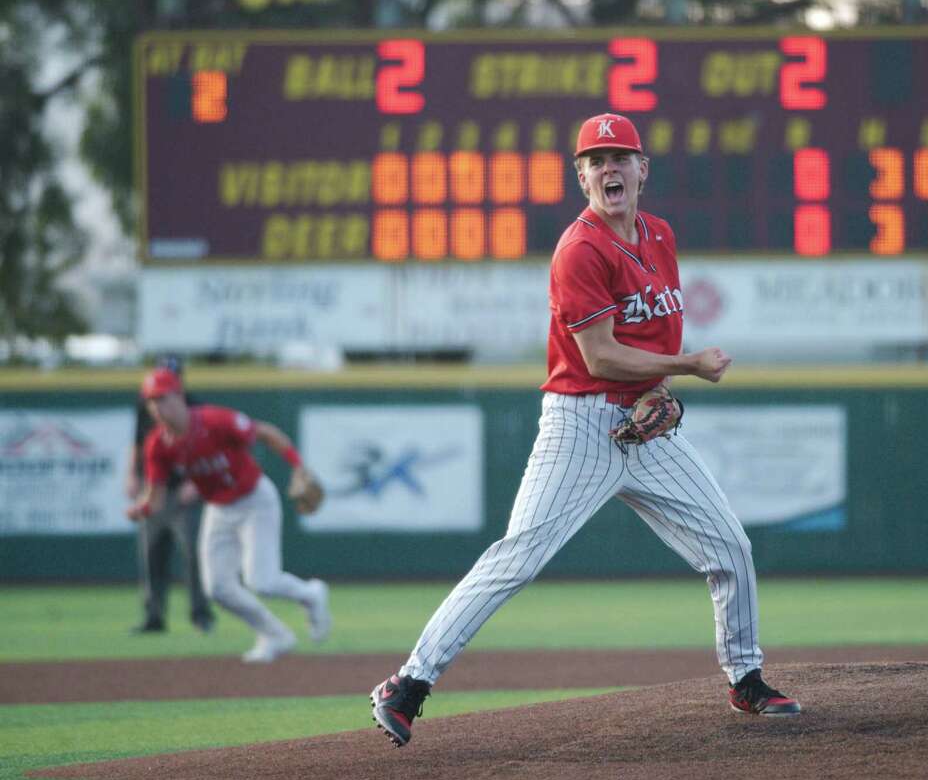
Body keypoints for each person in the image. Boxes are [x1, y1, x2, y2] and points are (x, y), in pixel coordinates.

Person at [370, 112, 800, 748]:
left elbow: (654, 337)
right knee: (517, 558)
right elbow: (600, 356)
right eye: (595, 161)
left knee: (729, 547)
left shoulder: (659, 236)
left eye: (620, 157)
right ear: (581, 177)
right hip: (581, 426)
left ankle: (745, 678)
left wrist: (663, 392)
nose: (609, 169)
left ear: (643, 169)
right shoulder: (580, 249)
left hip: (647, 431)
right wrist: (687, 367)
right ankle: (409, 684)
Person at [127, 367, 331, 663]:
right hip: (219, 509)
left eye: (163, 398)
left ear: (180, 396)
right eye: (151, 401)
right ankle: (275, 634)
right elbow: (155, 496)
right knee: (218, 588)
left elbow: (265, 432)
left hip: (254, 500)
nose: (158, 407)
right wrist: (142, 508)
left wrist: (297, 465)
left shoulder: (213, 420)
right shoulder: (157, 444)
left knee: (261, 581)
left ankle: (311, 594)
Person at [126, 356, 215, 634]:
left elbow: (210, 450)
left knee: (193, 555)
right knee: (151, 554)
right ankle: (154, 616)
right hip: (155, 489)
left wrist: (196, 483)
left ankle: (201, 615)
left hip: (183, 492)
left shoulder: (196, 406)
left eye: (172, 375)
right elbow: (139, 443)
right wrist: (131, 474)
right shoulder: (146, 405)